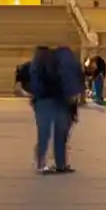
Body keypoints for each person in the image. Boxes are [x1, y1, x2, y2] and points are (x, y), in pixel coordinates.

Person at [29, 46, 80, 174]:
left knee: (44, 134)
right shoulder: (65, 60)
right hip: (60, 100)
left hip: (44, 100)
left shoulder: (38, 62)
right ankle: (60, 163)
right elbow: (71, 80)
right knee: (60, 134)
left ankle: (42, 164)